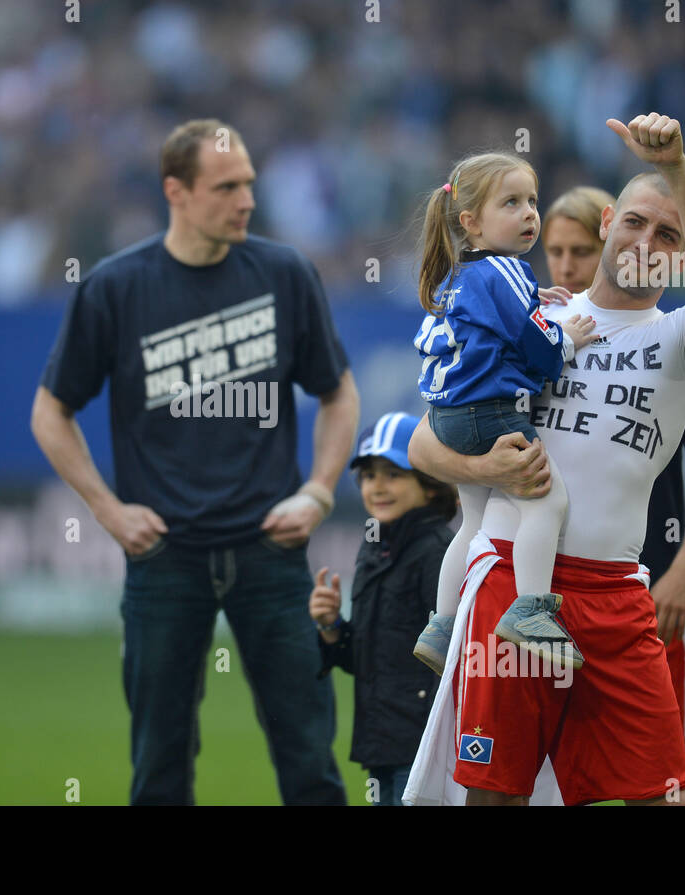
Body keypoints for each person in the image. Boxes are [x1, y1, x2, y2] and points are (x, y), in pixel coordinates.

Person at [404, 113, 685, 806]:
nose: (648, 242)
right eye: (639, 223)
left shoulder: (683, 345)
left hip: (617, 596)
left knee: (661, 794)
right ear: (610, 221)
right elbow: (420, 439)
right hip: (510, 587)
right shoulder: (539, 317)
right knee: (495, 794)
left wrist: (677, 167)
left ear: (683, 258)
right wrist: (483, 470)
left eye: (669, 237)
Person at [32, 118, 358, 806]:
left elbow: (338, 391)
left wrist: (320, 492)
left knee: (310, 760)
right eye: (227, 187)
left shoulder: (284, 272)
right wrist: (107, 509)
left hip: (271, 548)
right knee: (160, 764)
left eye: (249, 184)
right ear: (174, 191)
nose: (246, 201)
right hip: (164, 558)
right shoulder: (117, 286)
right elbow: (50, 410)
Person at [543, 185, 685, 777]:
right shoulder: (537, 330)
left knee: (663, 782)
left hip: (637, 593)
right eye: (553, 251)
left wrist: (683, 570)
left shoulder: (677, 346)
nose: (565, 265)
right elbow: (443, 436)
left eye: (576, 249)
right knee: (526, 782)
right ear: (615, 224)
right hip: (526, 595)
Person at [410, 152, 598, 675]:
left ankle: (441, 626)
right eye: (511, 202)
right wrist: (569, 338)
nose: (529, 213)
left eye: (533, 201)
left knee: (471, 524)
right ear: (470, 221)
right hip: (492, 412)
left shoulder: (456, 275)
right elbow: (537, 346)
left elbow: (491, 316)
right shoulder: (507, 269)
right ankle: (531, 611)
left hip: (447, 418)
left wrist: (529, 297)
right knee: (547, 503)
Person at [308, 412, 457, 805]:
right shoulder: (374, 550)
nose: (378, 486)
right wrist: (332, 628)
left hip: (426, 747)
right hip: (383, 745)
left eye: (393, 473)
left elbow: (458, 658)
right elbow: (373, 658)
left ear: (429, 482)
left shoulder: (440, 553)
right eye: (369, 475)